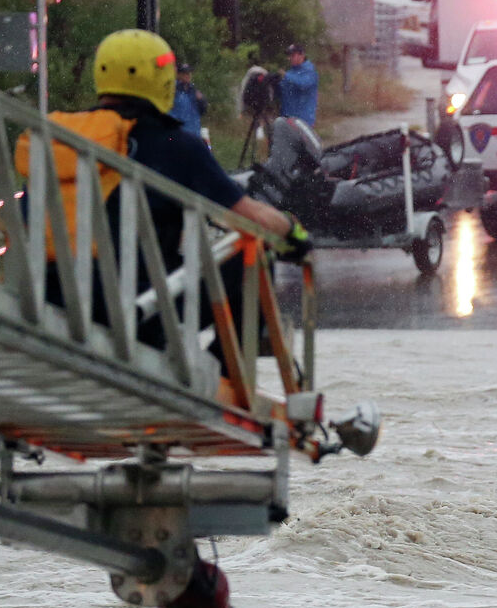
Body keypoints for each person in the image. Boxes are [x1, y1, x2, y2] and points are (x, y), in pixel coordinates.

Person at [22, 30, 309, 369]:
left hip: (48, 300)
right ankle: (222, 376)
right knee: (251, 257)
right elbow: (251, 217)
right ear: (162, 79)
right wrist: (292, 232)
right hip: (137, 309)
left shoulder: (63, 139)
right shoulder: (176, 145)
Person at [275, 43, 319, 126]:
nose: (289, 58)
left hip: (303, 120)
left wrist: (286, 76)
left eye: (292, 55)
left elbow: (303, 84)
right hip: (287, 118)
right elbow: (281, 92)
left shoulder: (310, 71)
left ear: (302, 55)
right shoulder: (290, 72)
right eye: (289, 56)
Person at [169, 60, 208, 138]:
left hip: (194, 134)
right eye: (185, 73)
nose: (188, 75)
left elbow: (203, 110)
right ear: (178, 74)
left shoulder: (193, 91)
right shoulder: (172, 90)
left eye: (189, 73)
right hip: (178, 135)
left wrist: (201, 100)